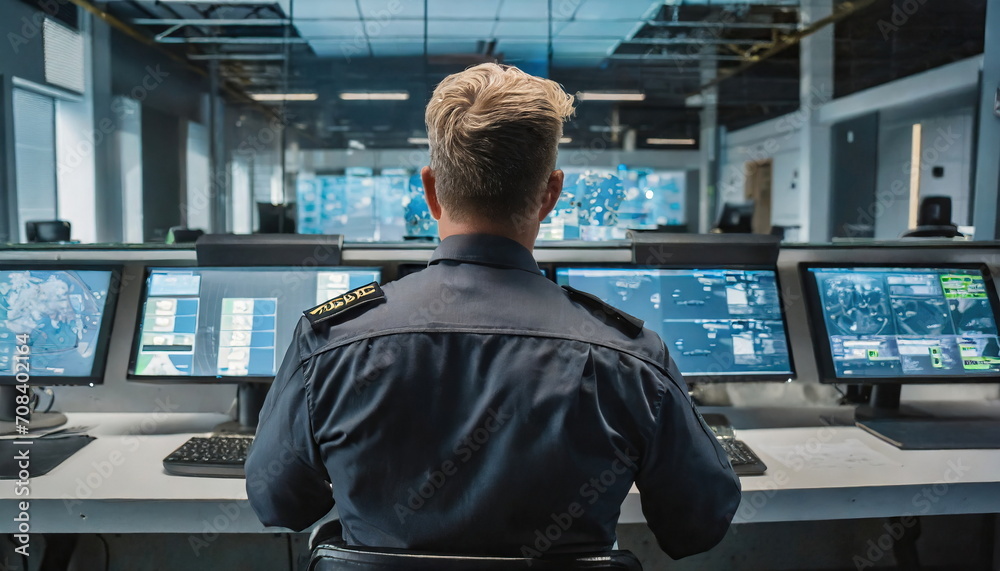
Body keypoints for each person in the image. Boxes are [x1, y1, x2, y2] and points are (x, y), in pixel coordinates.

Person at [245, 63, 741, 560]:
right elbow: (697, 524)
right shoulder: (630, 357)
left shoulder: (331, 343)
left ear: (431, 191)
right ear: (550, 195)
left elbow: (280, 505)